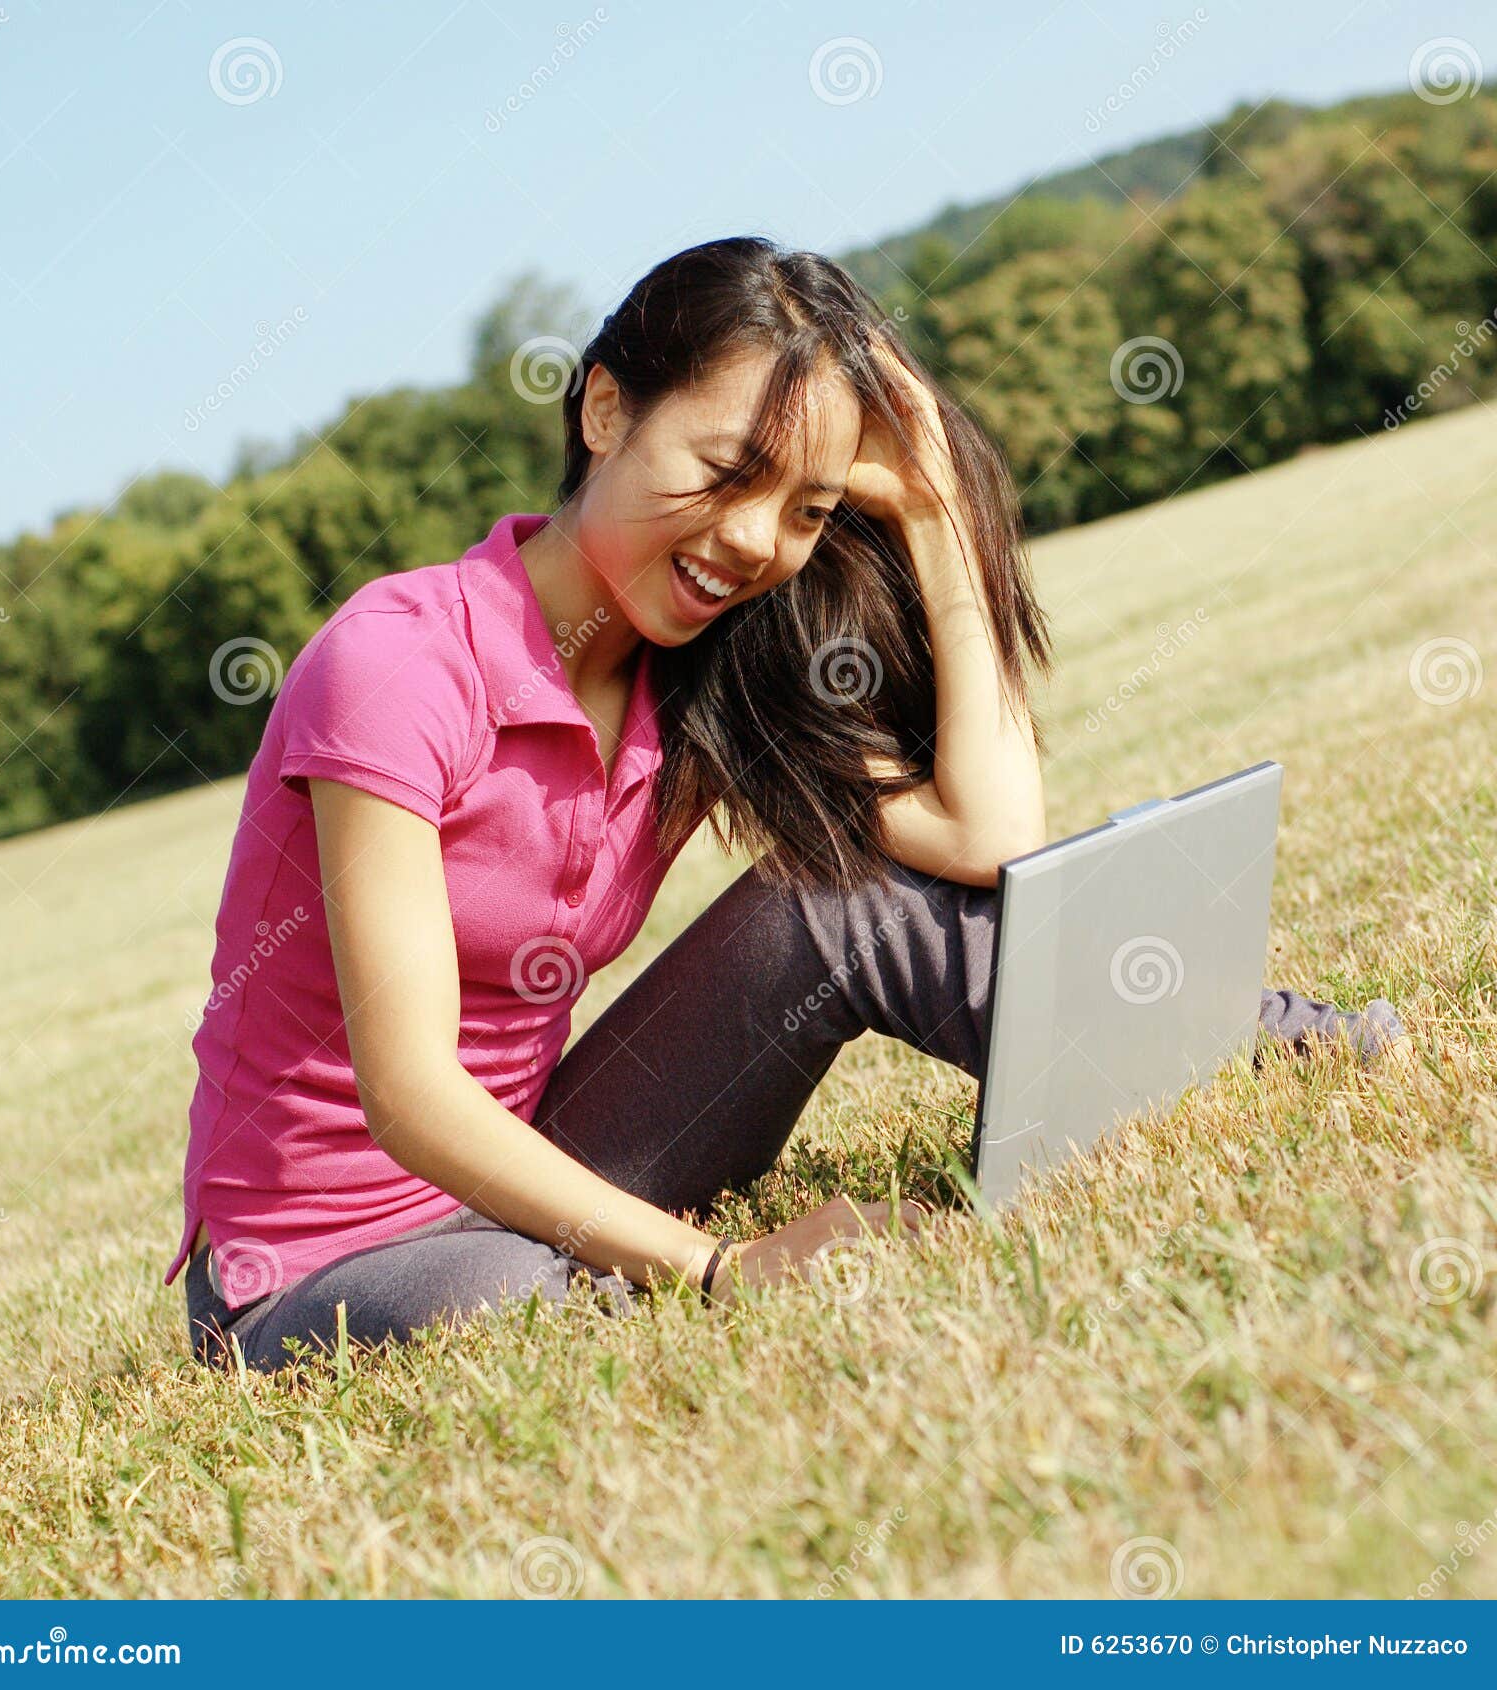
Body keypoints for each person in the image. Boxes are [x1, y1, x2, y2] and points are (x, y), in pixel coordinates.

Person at [165, 235, 1412, 1375]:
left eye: (808, 509)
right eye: (724, 473)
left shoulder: (697, 669)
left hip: (526, 1158)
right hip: (316, 1263)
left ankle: (1259, 1038)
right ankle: (600, 1275)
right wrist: (719, 1268)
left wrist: (937, 517)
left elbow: (989, 840)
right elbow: (408, 1094)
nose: (756, 541)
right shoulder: (398, 663)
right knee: (525, 1297)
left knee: (845, 896)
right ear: (604, 408)